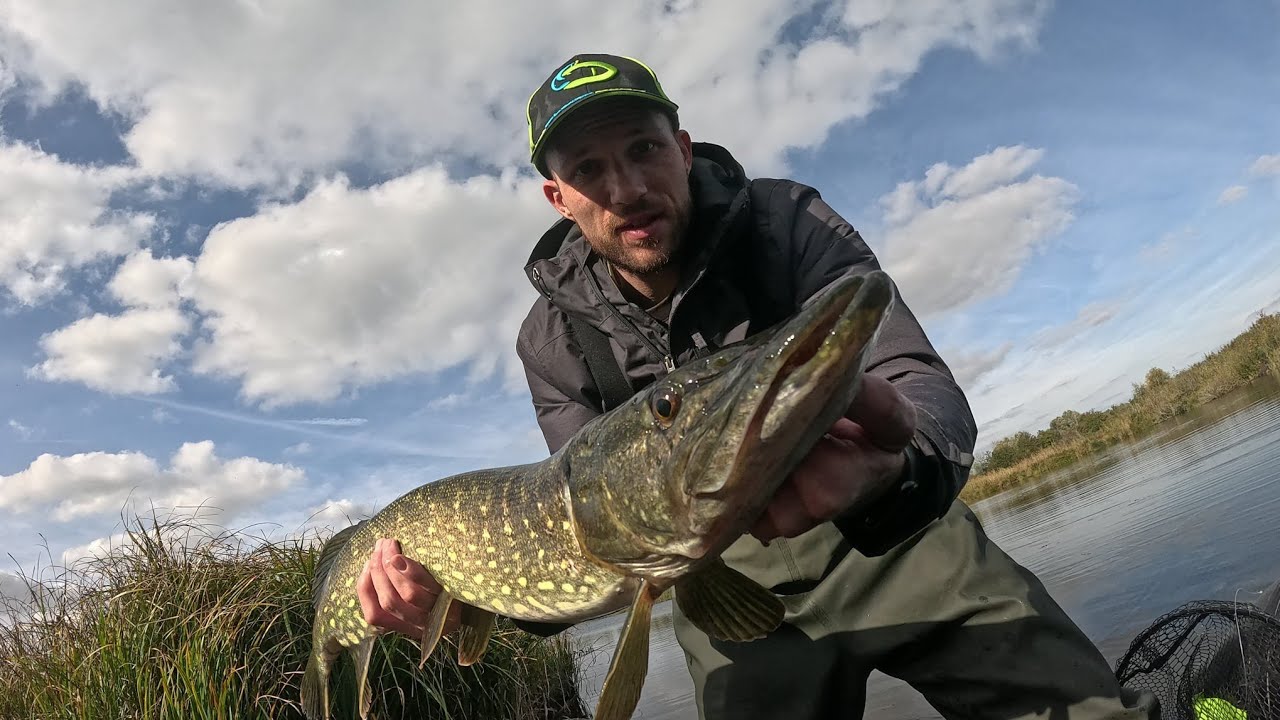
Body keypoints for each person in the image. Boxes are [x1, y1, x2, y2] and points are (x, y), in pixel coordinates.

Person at [357, 53, 1158, 719]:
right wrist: (460, 604)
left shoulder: (786, 221)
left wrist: (899, 465)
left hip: (888, 530)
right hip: (722, 582)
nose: (627, 187)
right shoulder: (551, 338)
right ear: (558, 198)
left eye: (642, 150)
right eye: (590, 170)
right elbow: (593, 530)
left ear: (682, 145)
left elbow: (916, 382)